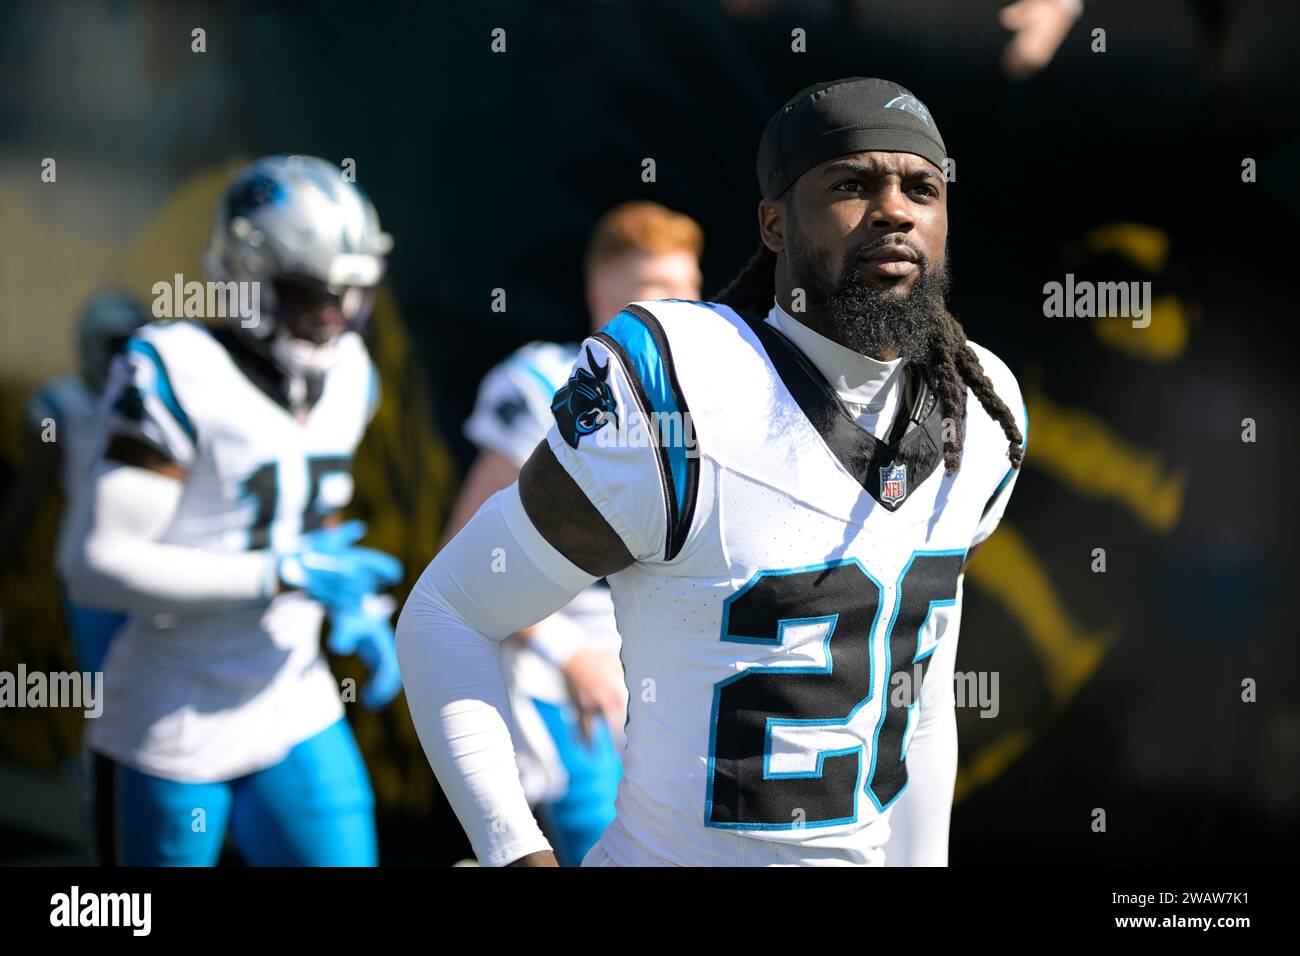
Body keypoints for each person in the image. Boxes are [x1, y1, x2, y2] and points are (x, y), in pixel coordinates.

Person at [397, 78, 1027, 866]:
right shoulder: (681, 387)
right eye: (851, 184)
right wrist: (516, 853)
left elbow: (922, 696)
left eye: (922, 188)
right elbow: (447, 612)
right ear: (774, 222)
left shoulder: (982, 405)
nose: (894, 210)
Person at [61, 155, 403, 866]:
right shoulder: (174, 367)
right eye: (313, 294)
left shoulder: (350, 375)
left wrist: (350, 600)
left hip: (295, 699)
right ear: (249, 278)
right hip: (174, 718)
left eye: (352, 294)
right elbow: (94, 564)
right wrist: (274, 575)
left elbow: (316, 514)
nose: (336, 318)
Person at [445, 201, 703, 865]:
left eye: (688, 288)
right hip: (571, 681)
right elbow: (467, 556)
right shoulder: (543, 386)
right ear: (602, 295)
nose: (675, 308)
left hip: (674, 679)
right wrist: (568, 651)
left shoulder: (711, 395)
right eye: (655, 290)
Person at [0, 292, 148, 673]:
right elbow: (37, 476)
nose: (123, 357)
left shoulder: (158, 398)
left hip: (155, 556)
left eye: (131, 345)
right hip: (92, 556)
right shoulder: (58, 406)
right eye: (115, 345)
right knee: (107, 683)